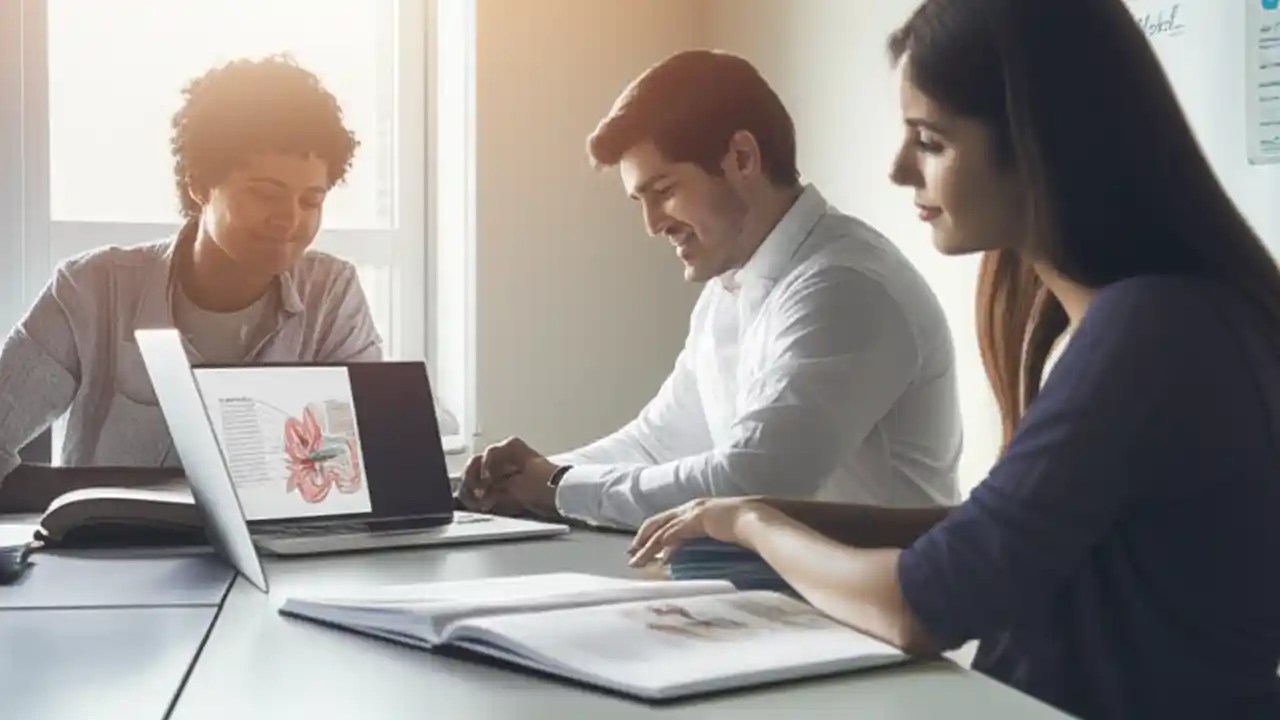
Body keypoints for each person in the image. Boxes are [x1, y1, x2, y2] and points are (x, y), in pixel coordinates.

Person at [627, 1, 1280, 718]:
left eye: (930, 140)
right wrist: (754, 510)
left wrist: (755, 528)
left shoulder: (1148, 331)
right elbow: (987, 532)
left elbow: (920, 607)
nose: (898, 168)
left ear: (1038, 140)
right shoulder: (1113, 316)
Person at [459, 50, 961, 529]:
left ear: (742, 157)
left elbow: (751, 483)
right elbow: (658, 444)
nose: (653, 224)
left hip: (879, 590)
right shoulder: (729, 290)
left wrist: (555, 487)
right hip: (782, 583)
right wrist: (528, 479)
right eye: (641, 200)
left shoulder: (844, 288)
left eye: (664, 191)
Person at [0, 55, 381, 513]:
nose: (290, 220)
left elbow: (370, 461)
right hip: (111, 550)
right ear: (199, 184)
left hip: (279, 553)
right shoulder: (90, 290)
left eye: (310, 201)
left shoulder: (332, 294)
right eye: (266, 194)